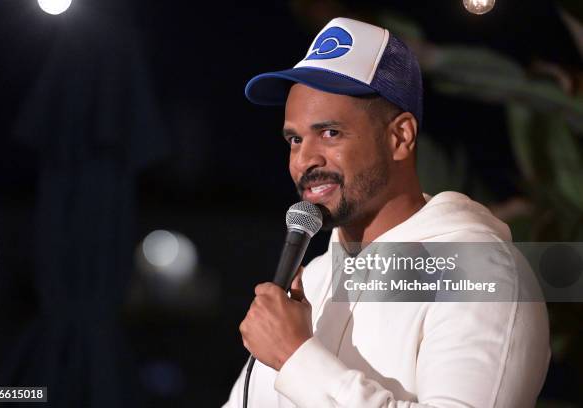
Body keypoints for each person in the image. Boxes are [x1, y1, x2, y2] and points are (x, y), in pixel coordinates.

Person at [223, 17, 550, 407]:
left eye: (330, 133)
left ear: (400, 137)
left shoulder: (483, 274)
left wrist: (298, 359)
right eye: (295, 139)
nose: (304, 160)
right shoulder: (314, 281)